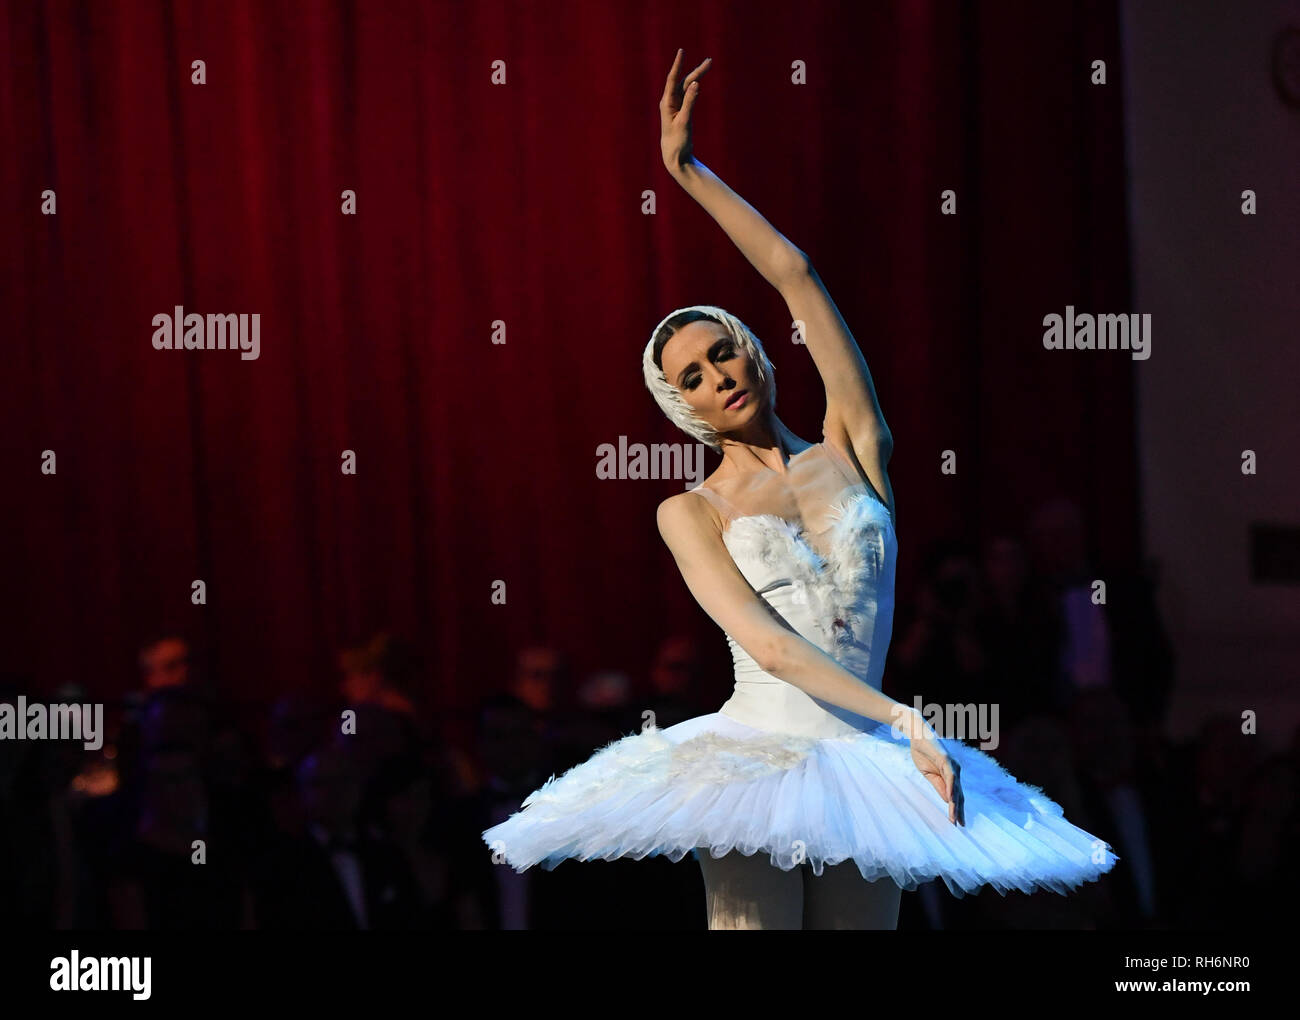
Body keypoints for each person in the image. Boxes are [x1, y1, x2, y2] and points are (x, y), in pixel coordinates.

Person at [482, 48, 1119, 930]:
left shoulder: (854, 449)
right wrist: (906, 719)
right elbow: (774, 651)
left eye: (723, 351)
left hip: (867, 764)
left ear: (755, 347)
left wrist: (688, 172)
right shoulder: (689, 511)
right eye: (693, 376)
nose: (717, 376)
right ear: (682, 405)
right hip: (760, 764)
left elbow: (795, 272)